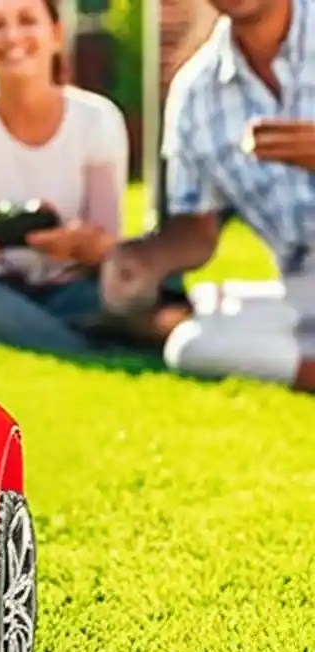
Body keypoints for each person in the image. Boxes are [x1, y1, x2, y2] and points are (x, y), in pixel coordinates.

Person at [0, 0, 191, 355]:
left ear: (56, 35)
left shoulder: (96, 119)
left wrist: (78, 244)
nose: (12, 36)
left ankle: (94, 332)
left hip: (76, 287)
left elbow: (110, 246)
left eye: (27, 20)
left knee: (156, 276)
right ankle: (95, 346)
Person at [102, 0, 315, 391]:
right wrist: (147, 259)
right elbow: (195, 230)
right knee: (191, 342)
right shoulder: (194, 94)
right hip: (302, 291)